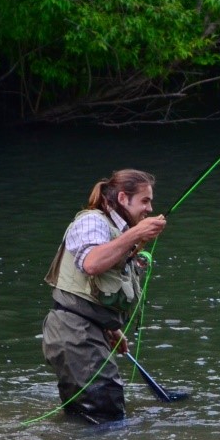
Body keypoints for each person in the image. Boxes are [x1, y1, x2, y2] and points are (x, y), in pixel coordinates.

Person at [42, 168, 167, 423]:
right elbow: (91, 263)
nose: (149, 209)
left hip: (83, 331)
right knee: (106, 412)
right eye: (145, 201)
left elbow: (94, 286)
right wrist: (136, 233)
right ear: (123, 199)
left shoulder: (117, 232)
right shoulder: (93, 221)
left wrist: (111, 328)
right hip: (74, 333)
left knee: (86, 418)